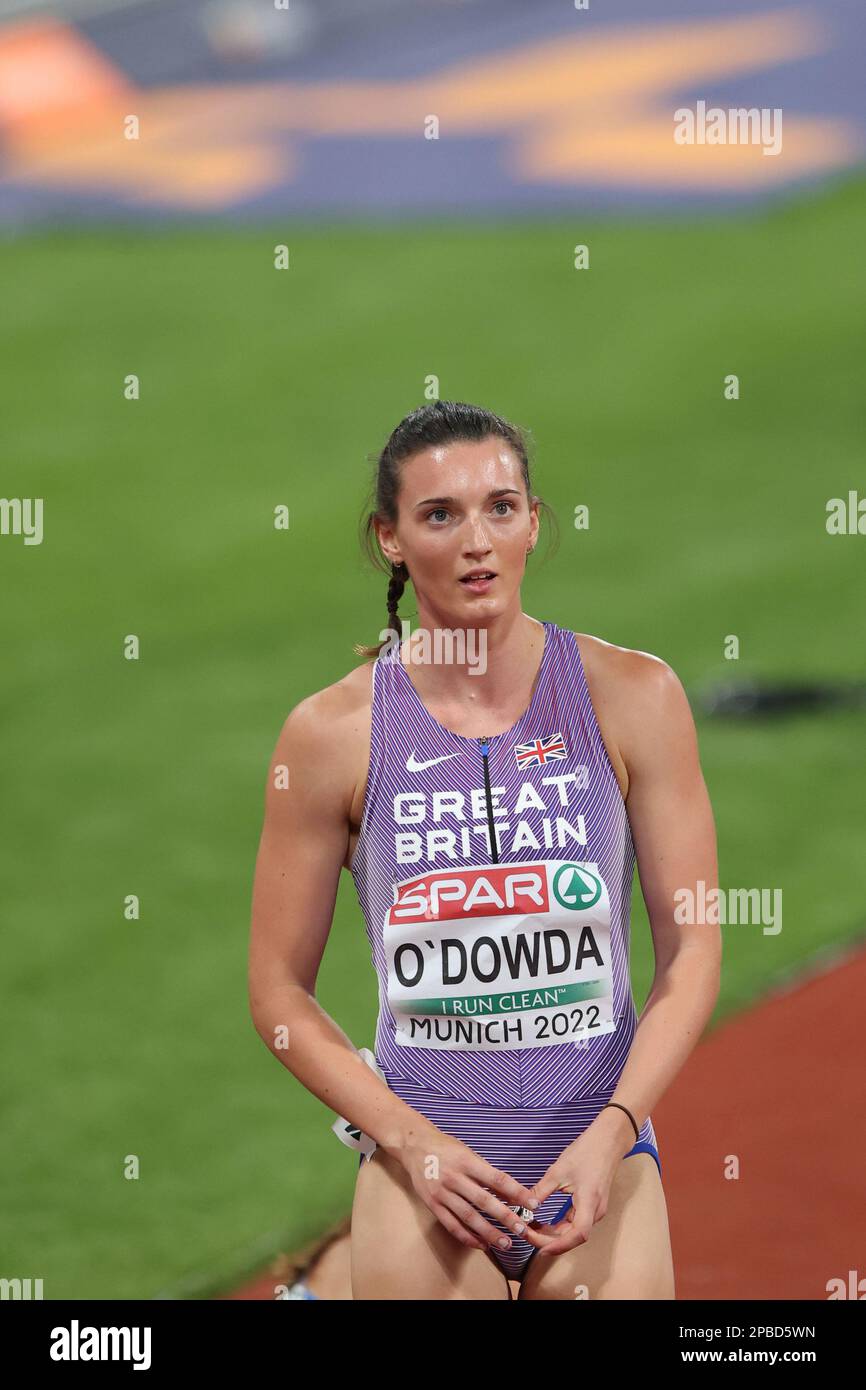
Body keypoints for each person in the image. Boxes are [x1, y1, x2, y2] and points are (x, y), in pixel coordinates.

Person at [249, 400, 721, 1300]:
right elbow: (276, 991)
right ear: (388, 538)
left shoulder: (633, 697)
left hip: (597, 1147)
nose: (477, 541)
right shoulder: (332, 735)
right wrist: (412, 1144)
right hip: (426, 1165)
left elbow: (693, 945)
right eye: (440, 515)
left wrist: (614, 1132)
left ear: (535, 523)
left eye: (501, 507)